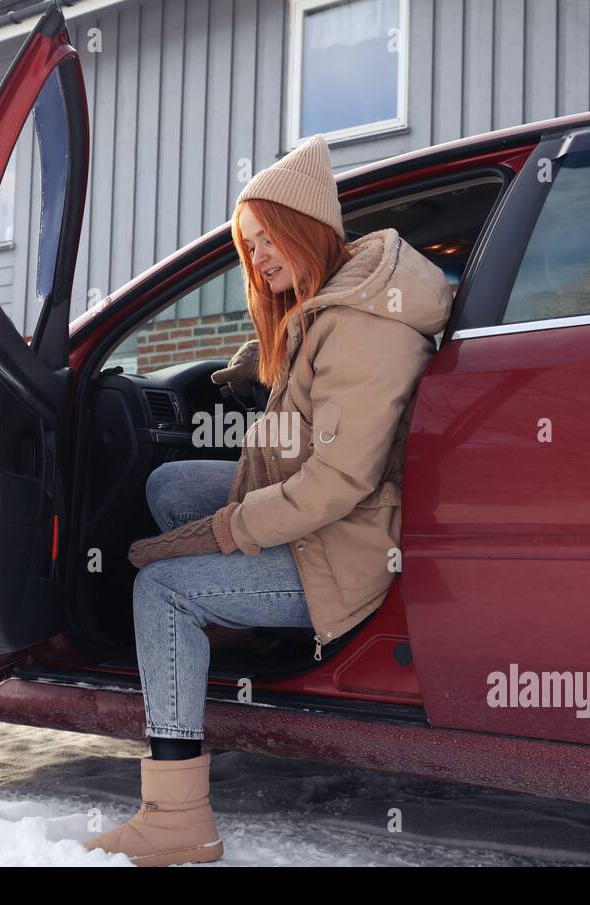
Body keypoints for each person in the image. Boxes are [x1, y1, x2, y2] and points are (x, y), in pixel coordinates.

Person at [80, 133, 452, 866]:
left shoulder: (363, 327)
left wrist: (223, 533)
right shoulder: (336, 303)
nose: (259, 258)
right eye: (248, 248)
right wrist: (262, 364)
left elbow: (338, 480)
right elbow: (320, 394)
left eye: (267, 239)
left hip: (341, 550)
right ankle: (235, 628)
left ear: (307, 226)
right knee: (171, 482)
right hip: (327, 523)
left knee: (161, 589)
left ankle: (176, 819)